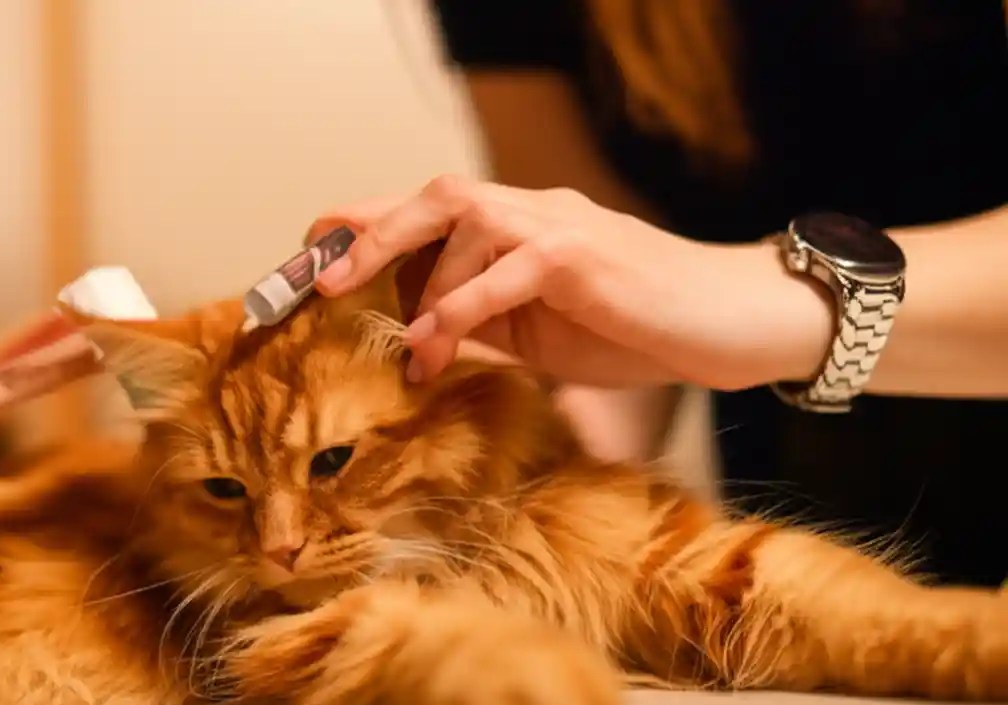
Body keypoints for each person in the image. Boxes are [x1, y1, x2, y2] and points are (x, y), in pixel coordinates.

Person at [307, 1, 1008, 587]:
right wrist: (495, 507)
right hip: (814, 549)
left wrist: (749, 304)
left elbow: (671, 295)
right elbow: (598, 327)